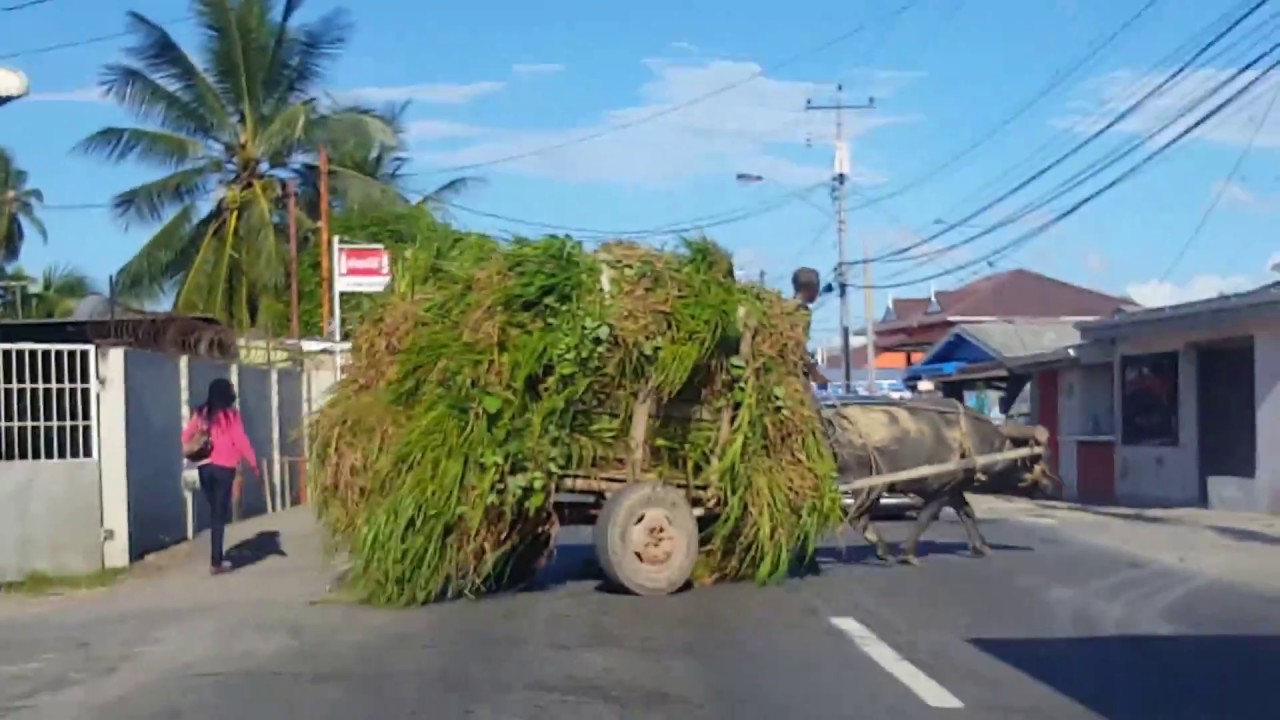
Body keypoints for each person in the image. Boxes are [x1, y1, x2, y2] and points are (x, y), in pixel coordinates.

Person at [181, 378, 259, 575]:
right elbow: (240, 440)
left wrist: (200, 438)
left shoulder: (201, 413)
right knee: (219, 513)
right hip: (225, 467)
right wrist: (253, 463)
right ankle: (216, 561)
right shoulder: (231, 415)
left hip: (204, 466)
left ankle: (217, 556)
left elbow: (185, 437)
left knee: (215, 510)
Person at [791, 267, 829, 391]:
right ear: (810, 289)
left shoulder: (785, 308)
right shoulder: (801, 311)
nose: (818, 292)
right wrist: (815, 375)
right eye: (817, 288)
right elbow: (798, 345)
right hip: (794, 374)